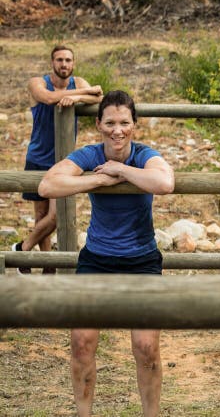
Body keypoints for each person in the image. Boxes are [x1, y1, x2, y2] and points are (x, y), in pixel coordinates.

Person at [38, 90, 174, 417]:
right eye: (110, 122)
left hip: (141, 260)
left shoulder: (143, 154)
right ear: (98, 124)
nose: (117, 130)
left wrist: (122, 171)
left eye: (124, 123)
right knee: (81, 344)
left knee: (146, 349)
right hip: (97, 259)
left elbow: (164, 182)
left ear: (135, 125)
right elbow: (47, 186)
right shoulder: (89, 154)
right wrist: (97, 180)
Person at [14, 45, 103, 274]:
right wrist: (84, 95)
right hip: (36, 158)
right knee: (41, 216)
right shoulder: (37, 82)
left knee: (55, 216)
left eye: (68, 60)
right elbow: (48, 97)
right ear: (52, 62)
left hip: (64, 161)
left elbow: (100, 96)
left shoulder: (78, 81)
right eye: (60, 60)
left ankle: (22, 249)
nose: (64, 64)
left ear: (73, 63)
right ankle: (49, 266)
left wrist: (79, 96)